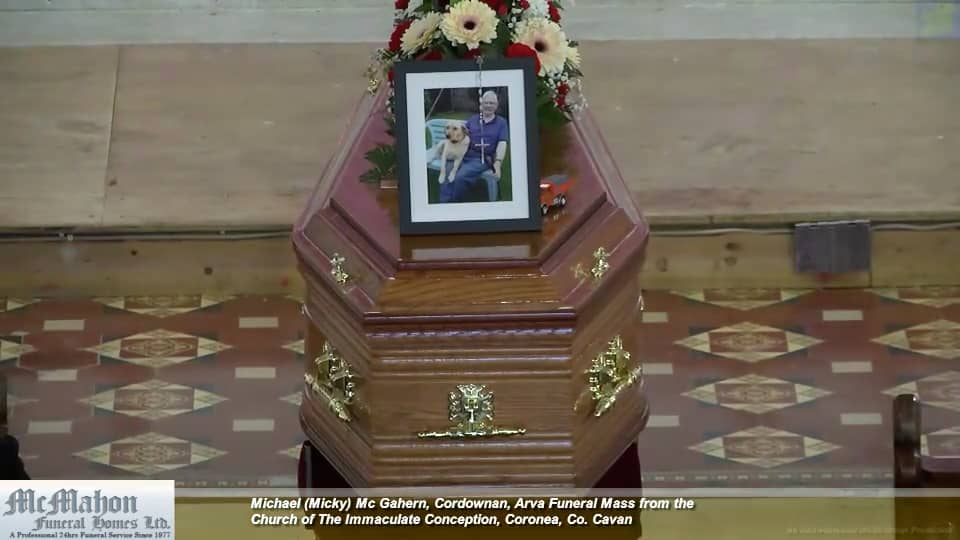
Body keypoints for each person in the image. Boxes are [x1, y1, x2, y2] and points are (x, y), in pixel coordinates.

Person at [438, 90, 508, 203]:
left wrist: (498, 163)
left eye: (492, 103)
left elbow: (502, 143)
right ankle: (444, 204)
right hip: (463, 153)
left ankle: (454, 204)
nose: (488, 106)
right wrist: (449, 143)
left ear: (496, 105)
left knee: (461, 176)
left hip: (481, 158)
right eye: (486, 103)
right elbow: (460, 135)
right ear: (482, 104)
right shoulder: (473, 119)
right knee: (448, 170)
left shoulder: (501, 123)